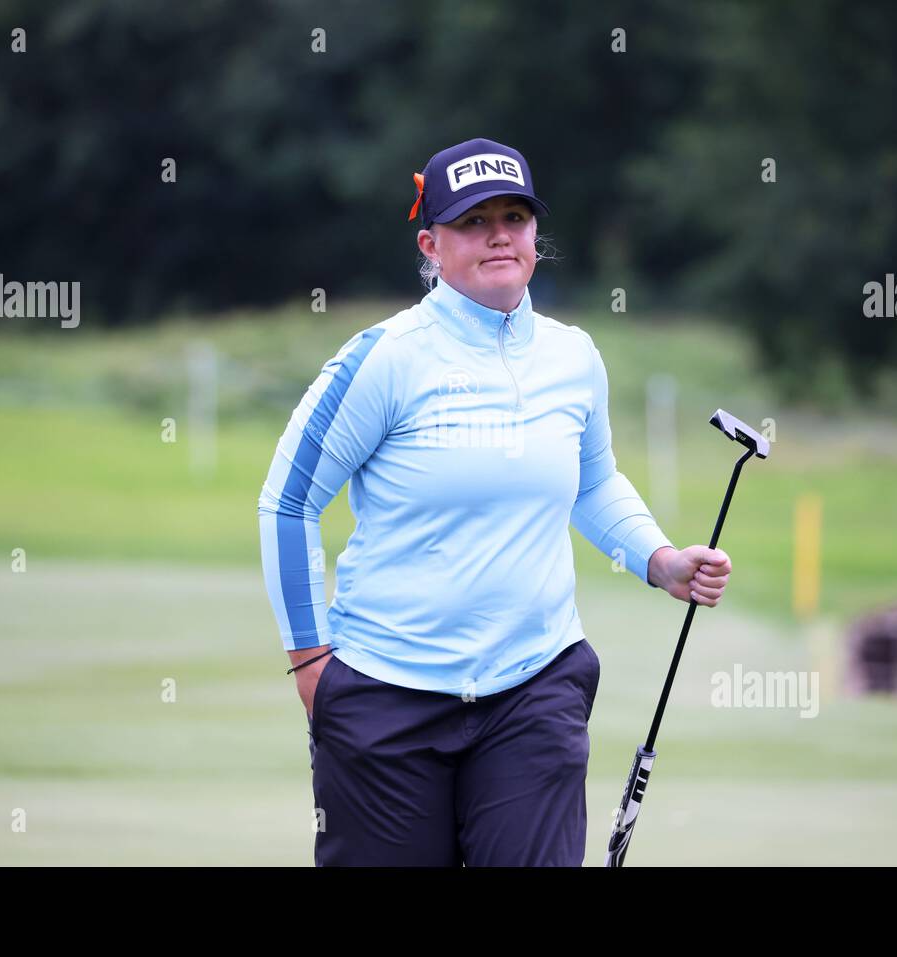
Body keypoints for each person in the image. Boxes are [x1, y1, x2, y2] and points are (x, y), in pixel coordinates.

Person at [257, 137, 732, 866]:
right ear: (432, 245)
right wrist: (310, 662)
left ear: (537, 235)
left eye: (515, 216)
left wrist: (659, 559)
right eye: (475, 221)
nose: (500, 234)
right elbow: (288, 503)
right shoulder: (384, 358)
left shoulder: (574, 357)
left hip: (533, 688)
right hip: (386, 694)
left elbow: (594, 480)